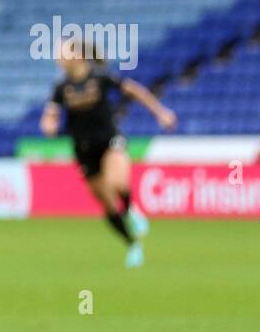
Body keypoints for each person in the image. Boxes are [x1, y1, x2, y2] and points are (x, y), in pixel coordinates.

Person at [40, 36, 176, 267]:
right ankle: (133, 244)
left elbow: (134, 90)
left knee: (117, 183)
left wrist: (160, 111)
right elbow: (50, 115)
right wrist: (48, 126)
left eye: (62, 52)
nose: (58, 57)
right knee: (107, 203)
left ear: (78, 55)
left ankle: (132, 209)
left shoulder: (100, 77)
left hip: (109, 141)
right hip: (83, 150)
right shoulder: (61, 88)